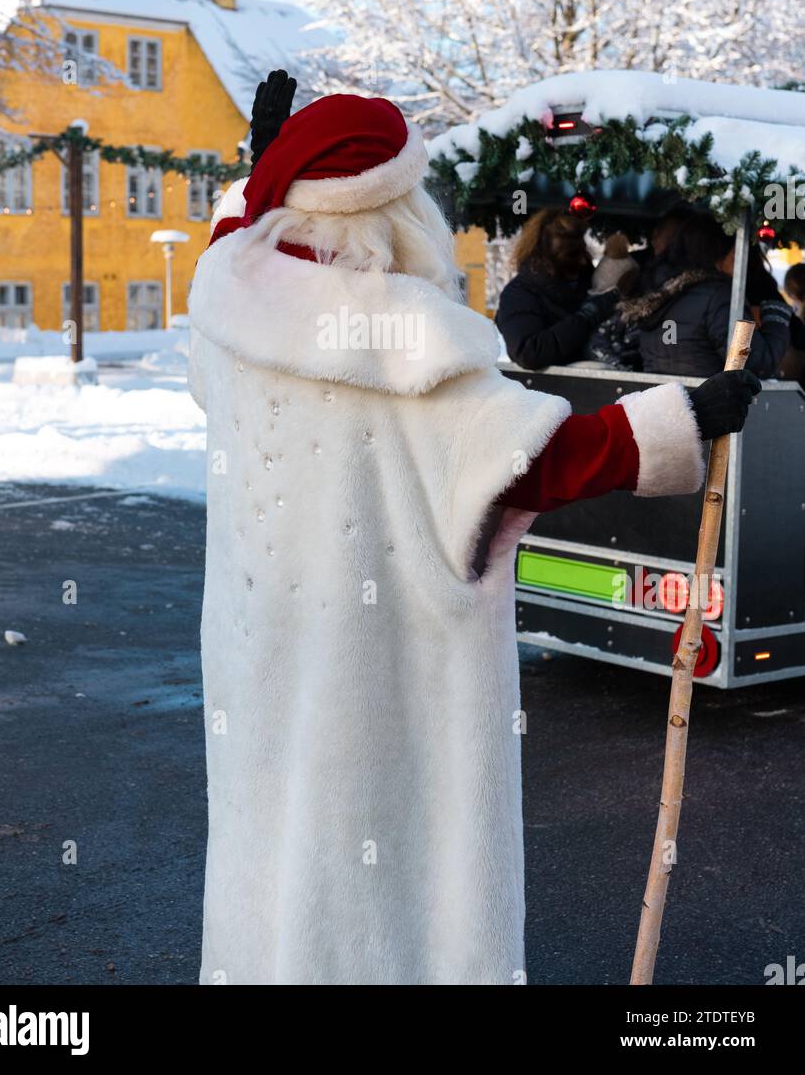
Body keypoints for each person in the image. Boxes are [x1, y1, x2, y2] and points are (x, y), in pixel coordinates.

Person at [188, 79, 759, 986]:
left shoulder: (224, 300)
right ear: (393, 205)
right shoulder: (402, 335)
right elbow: (530, 461)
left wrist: (263, 178)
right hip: (378, 678)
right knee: (380, 887)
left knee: (276, 855)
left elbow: (238, 245)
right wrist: (683, 420)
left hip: (259, 656)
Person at [622, 213, 790, 378]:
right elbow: (751, 363)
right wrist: (777, 318)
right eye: (734, 250)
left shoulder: (656, 291)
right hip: (708, 402)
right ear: (720, 251)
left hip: (659, 400)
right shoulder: (721, 297)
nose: (736, 257)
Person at [495, 207, 619, 369]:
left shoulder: (589, 281)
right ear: (544, 257)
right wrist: (586, 316)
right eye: (571, 255)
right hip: (549, 390)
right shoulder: (519, 294)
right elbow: (529, 353)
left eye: (583, 252)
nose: (581, 261)